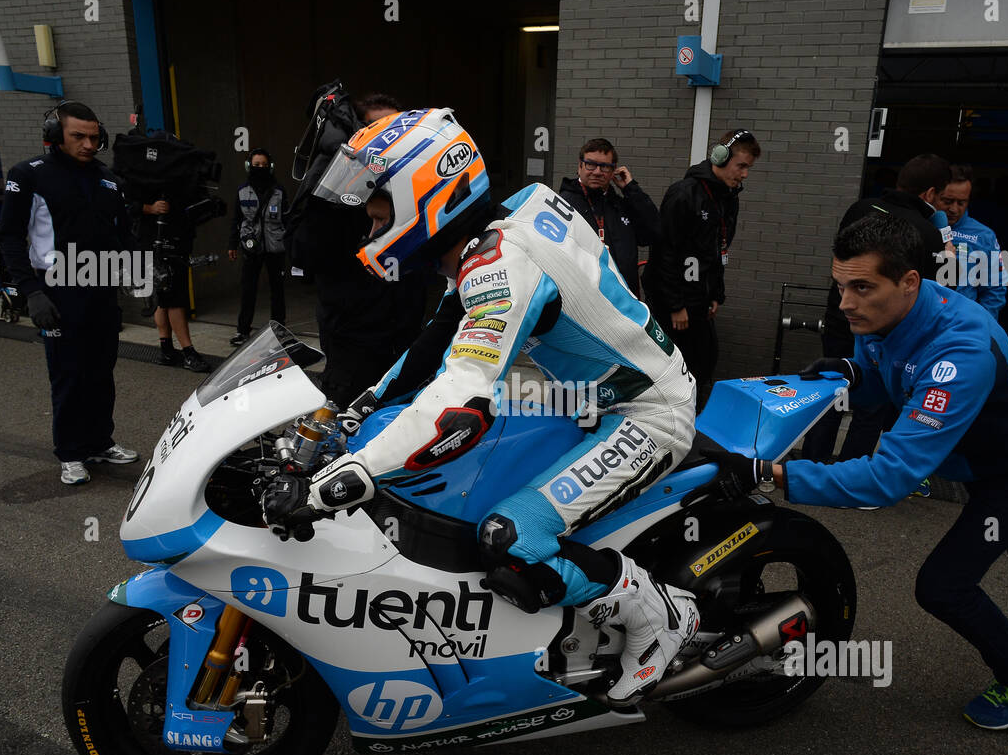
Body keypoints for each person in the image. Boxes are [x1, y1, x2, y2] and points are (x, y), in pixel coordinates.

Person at [261, 108, 700, 702]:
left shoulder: (503, 266)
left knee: (508, 535)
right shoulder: (506, 219)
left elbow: (457, 405)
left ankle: (659, 615)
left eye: (380, 204)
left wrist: (334, 484)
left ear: (426, 194)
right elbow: (438, 339)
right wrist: (354, 412)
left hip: (647, 411)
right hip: (580, 394)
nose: (369, 220)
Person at [716, 213, 1008, 730]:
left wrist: (773, 474)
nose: (845, 304)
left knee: (943, 585)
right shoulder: (883, 314)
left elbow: (891, 477)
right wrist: (851, 374)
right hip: (982, 455)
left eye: (862, 287)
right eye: (840, 286)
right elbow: (887, 381)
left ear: (909, 281)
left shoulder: (961, 350)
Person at [0, 100, 139, 485]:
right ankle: (70, 452)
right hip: (57, 290)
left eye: (94, 137)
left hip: (101, 288)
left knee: (101, 372)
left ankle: (99, 442)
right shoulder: (29, 175)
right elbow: (10, 237)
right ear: (54, 135)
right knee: (68, 374)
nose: (89, 144)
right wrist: (31, 292)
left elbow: (123, 236)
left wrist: (139, 275)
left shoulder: (109, 179)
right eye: (78, 136)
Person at [802, 153, 953, 465]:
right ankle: (851, 476)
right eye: (942, 198)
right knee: (872, 406)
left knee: (832, 393)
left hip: (840, 318)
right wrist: (946, 251)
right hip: (884, 334)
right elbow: (939, 292)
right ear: (929, 195)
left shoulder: (859, 209)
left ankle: (810, 465)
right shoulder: (926, 234)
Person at [643, 129, 758, 413]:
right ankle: (667, 421)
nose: (744, 174)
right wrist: (675, 305)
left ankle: (692, 422)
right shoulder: (684, 194)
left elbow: (717, 252)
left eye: (748, 168)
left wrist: (716, 294)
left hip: (701, 300)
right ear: (720, 157)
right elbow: (664, 251)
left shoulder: (729, 197)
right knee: (673, 370)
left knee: (704, 363)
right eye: (741, 166)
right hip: (675, 303)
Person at [557, 138, 658, 296]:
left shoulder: (621, 204)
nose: (597, 172)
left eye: (604, 167)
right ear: (580, 166)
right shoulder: (563, 205)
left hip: (624, 299)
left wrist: (631, 188)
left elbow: (653, 233)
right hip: (583, 300)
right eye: (591, 164)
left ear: (613, 171)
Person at [134, 194, 208, 371]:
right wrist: (150, 208)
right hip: (157, 244)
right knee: (174, 299)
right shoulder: (139, 176)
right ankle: (188, 353)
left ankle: (166, 350)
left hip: (176, 241)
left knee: (164, 300)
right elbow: (126, 203)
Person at [228, 149, 287, 345]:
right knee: (248, 290)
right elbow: (236, 219)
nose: (260, 168)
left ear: (270, 167)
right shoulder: (242, 190)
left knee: (277, 290)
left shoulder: (279, 191)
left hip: (275, 247)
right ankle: (242, 331)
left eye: (263, 164)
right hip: (251, 247)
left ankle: (279, 330)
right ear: (249, 166)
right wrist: (232, 245)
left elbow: (287, 219)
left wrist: (290, 244)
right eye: (256, 164)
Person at [935, 164, 1007, 320]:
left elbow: (995, 289)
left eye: (961, 202)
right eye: (948, 201)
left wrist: (983, 326)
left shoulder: (984, 236)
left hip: (961, 324)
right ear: (933, 194)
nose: (954, 209)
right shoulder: (919, 226)